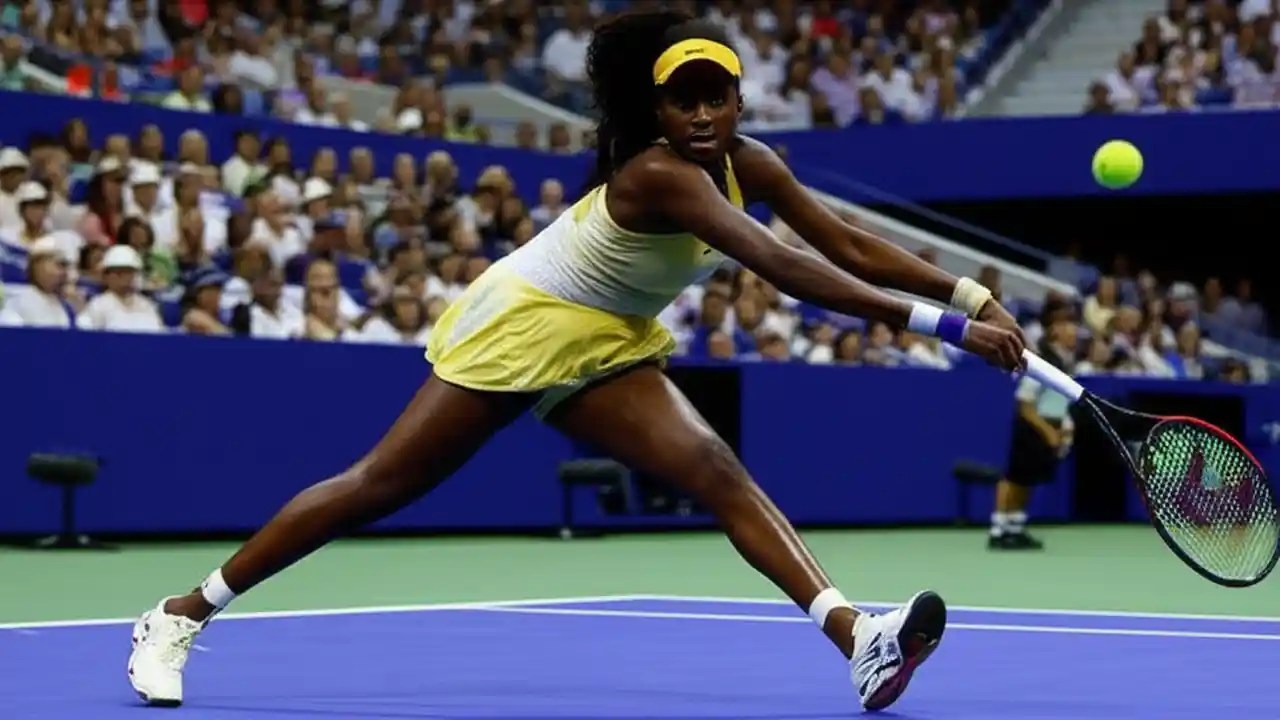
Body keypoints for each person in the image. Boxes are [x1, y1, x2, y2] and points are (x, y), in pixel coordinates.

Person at [128, 11, 1027, 713]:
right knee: (377, 485)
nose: (702, 114)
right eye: (684, 101)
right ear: (657, 113)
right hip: (520, 326)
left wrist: (970, 293)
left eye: (717, 98)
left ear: (739, 103)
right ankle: (179, 614)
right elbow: (784, 266)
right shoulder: (658, 175)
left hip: (607, 337)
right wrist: (947, 330)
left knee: (714, 469)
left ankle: (858, 638)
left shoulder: (753, 164)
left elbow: (848, 245)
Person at [990, 303, 1078, 550]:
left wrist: (1065, 425)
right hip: (1032, 427)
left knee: (1028, 480)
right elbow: (1025, 403)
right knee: (1014, 478)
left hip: (1050, 426)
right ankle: (998, 530)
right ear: (1053, 331)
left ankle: (1015, 528)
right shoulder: (1042, 361)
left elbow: (1059, 399)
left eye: (1072, 324)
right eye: (1065, 325)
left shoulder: (1066, 360)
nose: (1072, 330)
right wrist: (1048, 431)